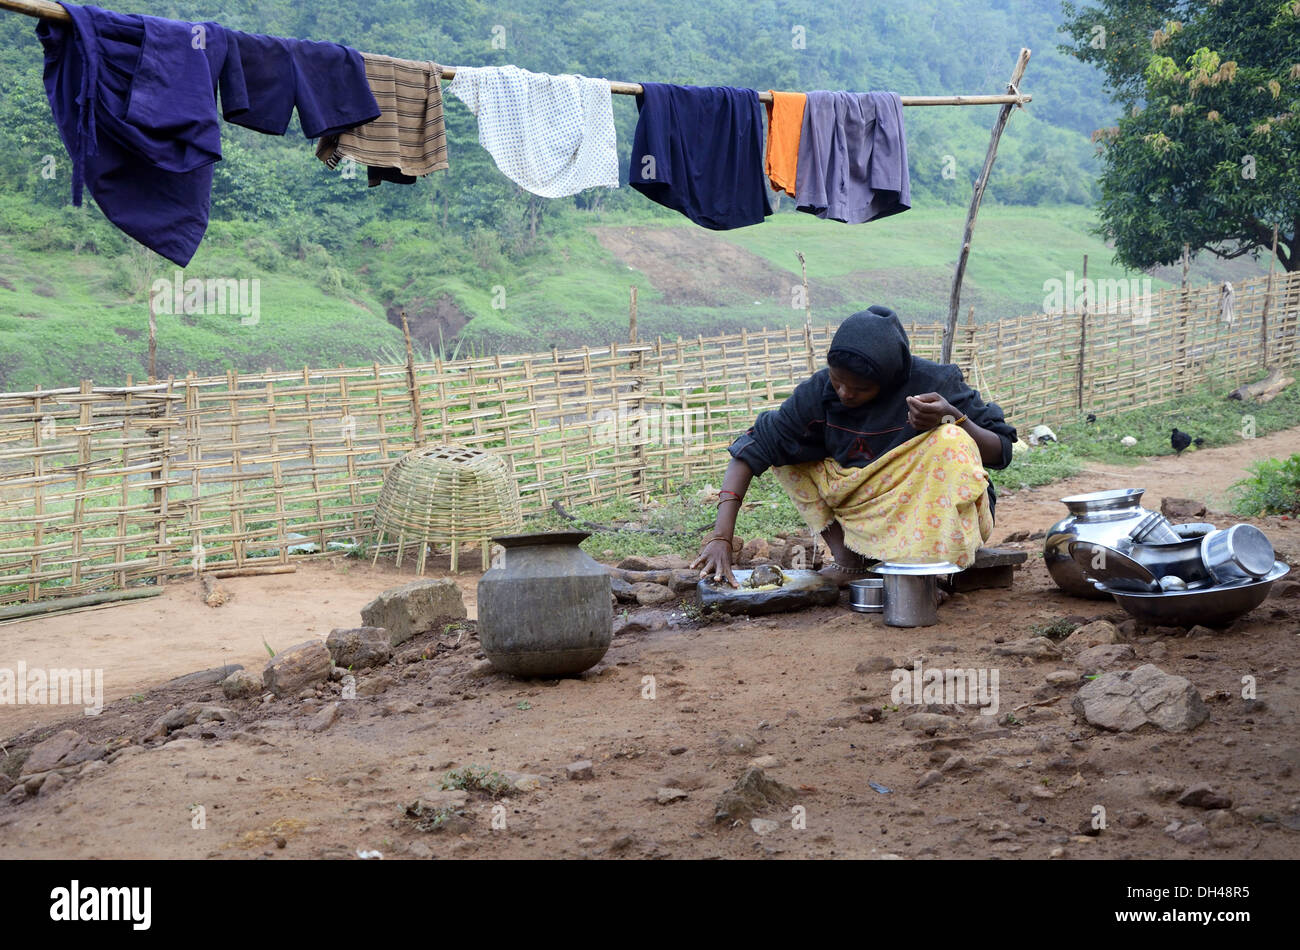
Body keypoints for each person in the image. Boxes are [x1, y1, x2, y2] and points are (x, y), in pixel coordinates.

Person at [692, 305, 1017, 588]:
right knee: (784, 451)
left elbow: (1000, 451)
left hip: (931, 512)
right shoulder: (819, 393)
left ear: (889, 379)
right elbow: (752, 448)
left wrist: (954, 418)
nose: (845, 393)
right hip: (865, 504)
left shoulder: (933, 384)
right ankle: (850, 562)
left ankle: (926, 570)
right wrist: (721, 537)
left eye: (860, 388)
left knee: (951, 440)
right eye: (838, 381)